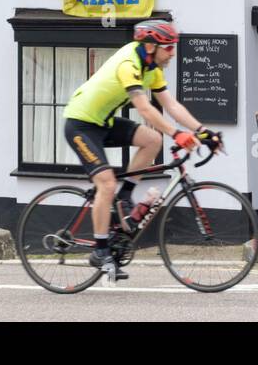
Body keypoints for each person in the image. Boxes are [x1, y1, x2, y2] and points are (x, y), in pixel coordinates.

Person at [62, 19, 221, 278]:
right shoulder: (128, 64)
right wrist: (177, 134)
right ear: (150, 46)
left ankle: (126, 196)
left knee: (153, 140)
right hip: (80, 125)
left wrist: (203, 132)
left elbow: (172, 106)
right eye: (168, 47)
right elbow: (145, 109)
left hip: (104, 122)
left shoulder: (152, 69)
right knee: (106, 183)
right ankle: (100, 251)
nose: (173, 53)